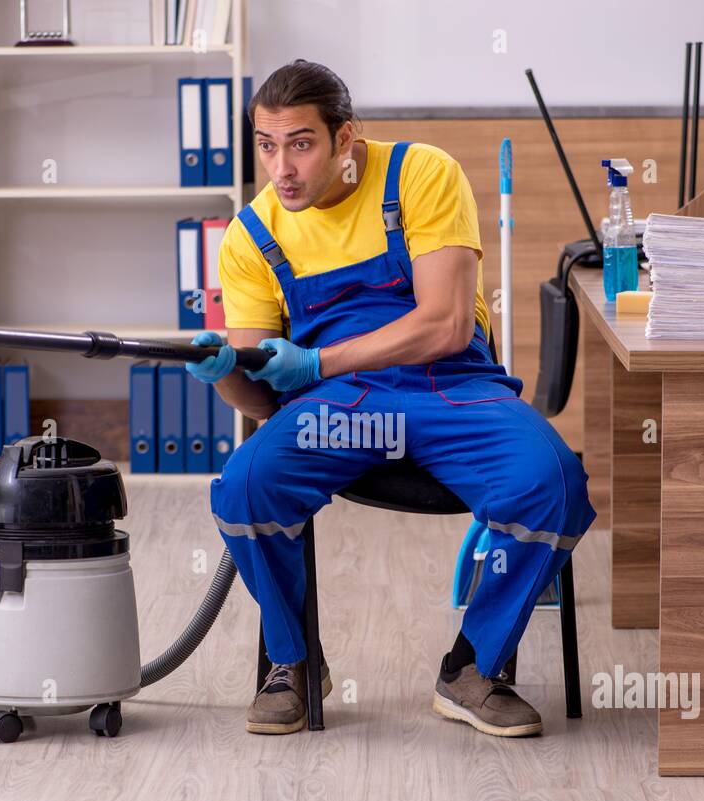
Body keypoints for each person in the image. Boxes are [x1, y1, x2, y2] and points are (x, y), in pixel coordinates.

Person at [186, 60, 595, 737]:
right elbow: (261, 397)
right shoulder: (252, 235)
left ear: (346, 138)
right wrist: (224, 371)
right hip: (343, 411)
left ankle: (472, 667)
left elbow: (445, 324)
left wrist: (316, 359)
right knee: (245, 486)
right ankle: (294, 661)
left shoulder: (419, 175)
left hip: (454, 389)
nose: (280, 167)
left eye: (301, 143)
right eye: (266, 145)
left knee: (553, 483)